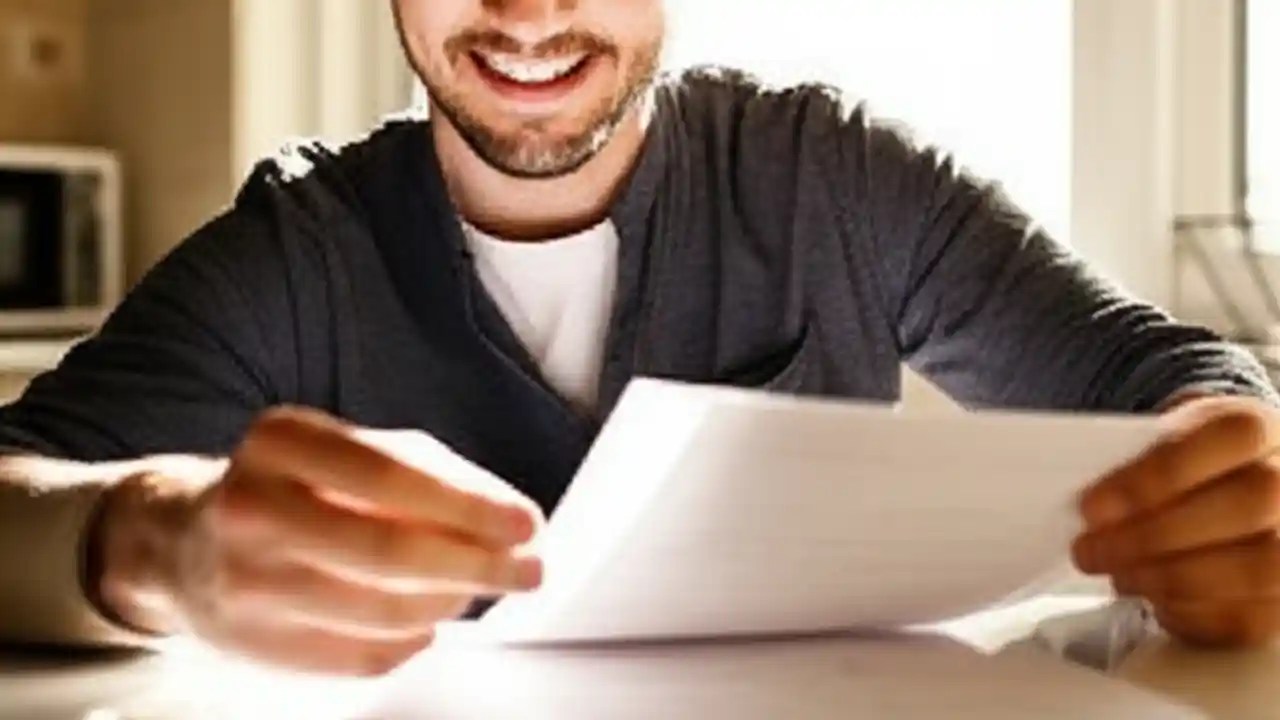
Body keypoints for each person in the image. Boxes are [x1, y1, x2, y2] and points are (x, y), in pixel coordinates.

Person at [1, 0, 1278, 677]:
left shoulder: (834, 177)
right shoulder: (295, 249)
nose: (529, 10)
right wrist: (159, 542)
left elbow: (1163, 376)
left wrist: (1231, 464)